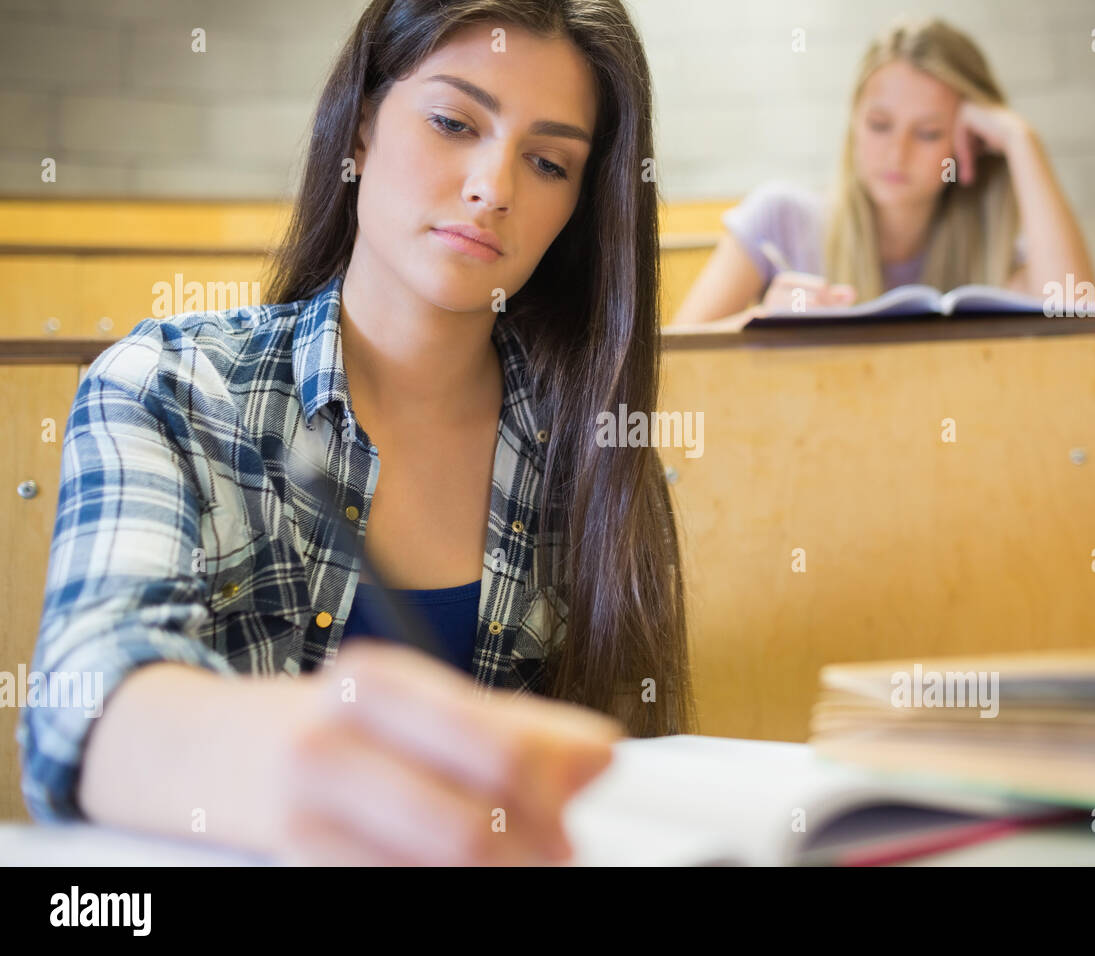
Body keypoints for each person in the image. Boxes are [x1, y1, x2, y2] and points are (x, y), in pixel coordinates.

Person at [18, 0, 694, 866]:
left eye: (550, 162)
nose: (495, 187)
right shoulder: (169, 390)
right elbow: (85, 698)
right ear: (363, 125)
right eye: (454, 122)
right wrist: (291, 763)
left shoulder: (594, 454)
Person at [672, 17, 1095, 325]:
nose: (896, 154)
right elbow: (672, 363)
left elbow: (1080, 321)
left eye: (928, 133)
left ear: (971, 144)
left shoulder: (999, 248)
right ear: (853, 122)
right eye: (878, 125)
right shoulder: (779, 217)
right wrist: (762, 322)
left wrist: (1021, 141)